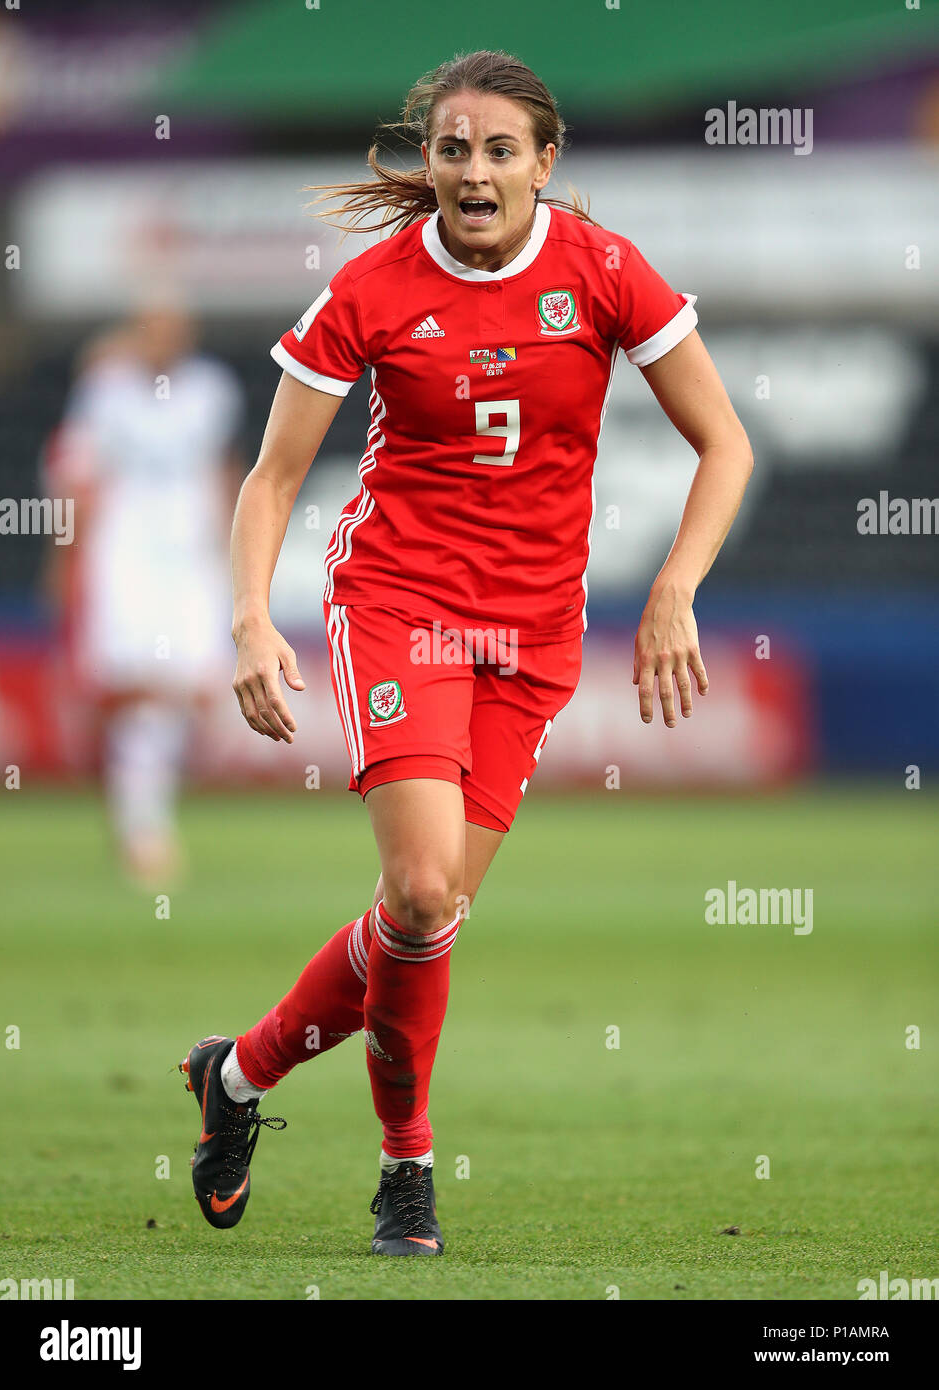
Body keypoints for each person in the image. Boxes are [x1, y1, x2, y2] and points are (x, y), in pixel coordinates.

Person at [180, 50, 753, 1256]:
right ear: (427, 161)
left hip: (532, 631)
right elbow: (275, 475)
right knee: (426, 890)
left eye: (501, 150)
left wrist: (676, 587)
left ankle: (236, 1076)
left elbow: (725, 445)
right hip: (399, 604)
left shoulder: (601, 272)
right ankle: (407, 1175)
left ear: (547, 163)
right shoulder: (373, 289)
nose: (476, 170)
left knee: (417, 918)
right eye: (454, 148)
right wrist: (246, 617)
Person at [44, 305, 244, 885]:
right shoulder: (105, 392)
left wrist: (237, 560)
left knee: (192, 685)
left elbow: (223, 474)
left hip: (192, 560)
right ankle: (144, 827)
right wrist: (68, 558)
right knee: (136, 687)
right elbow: (77, 480)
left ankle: (141, 812)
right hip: (126, 558)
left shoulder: (211, 390)